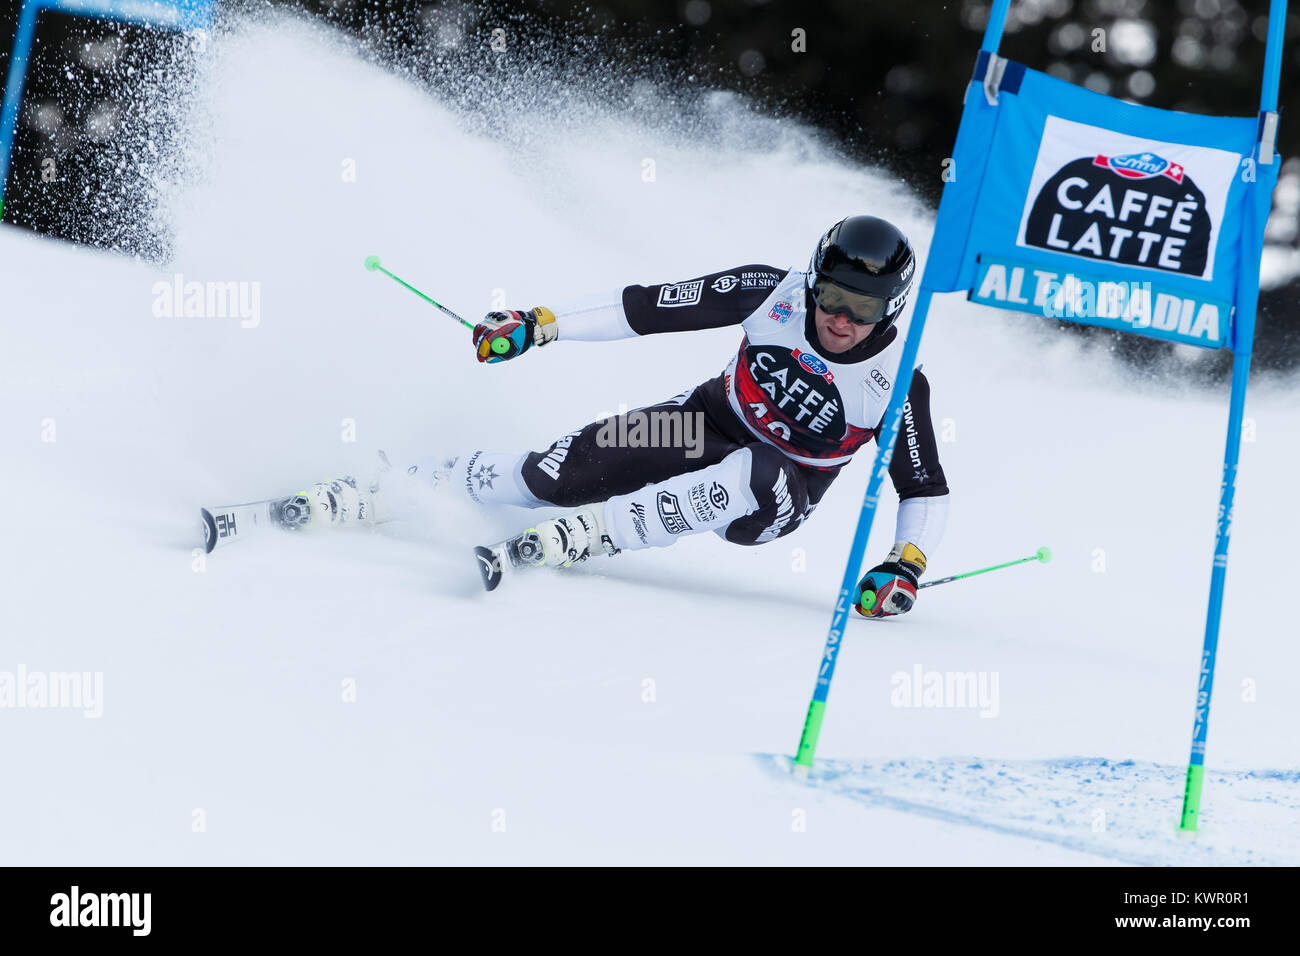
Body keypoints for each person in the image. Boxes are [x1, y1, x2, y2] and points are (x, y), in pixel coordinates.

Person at [312, 215, 949, 616]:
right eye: (834, 297)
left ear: (891, 311)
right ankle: (407, 485)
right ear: (813, 282)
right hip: (707, 421)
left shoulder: (896, 379)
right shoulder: (771, 292)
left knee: (752, 471)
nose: (842, 319)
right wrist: (540, 326)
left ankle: (594, 533)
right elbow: (647, 308)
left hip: (786, 488)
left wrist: (905, 565)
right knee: (554, 475)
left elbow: (923, 486)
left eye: (864, 309)